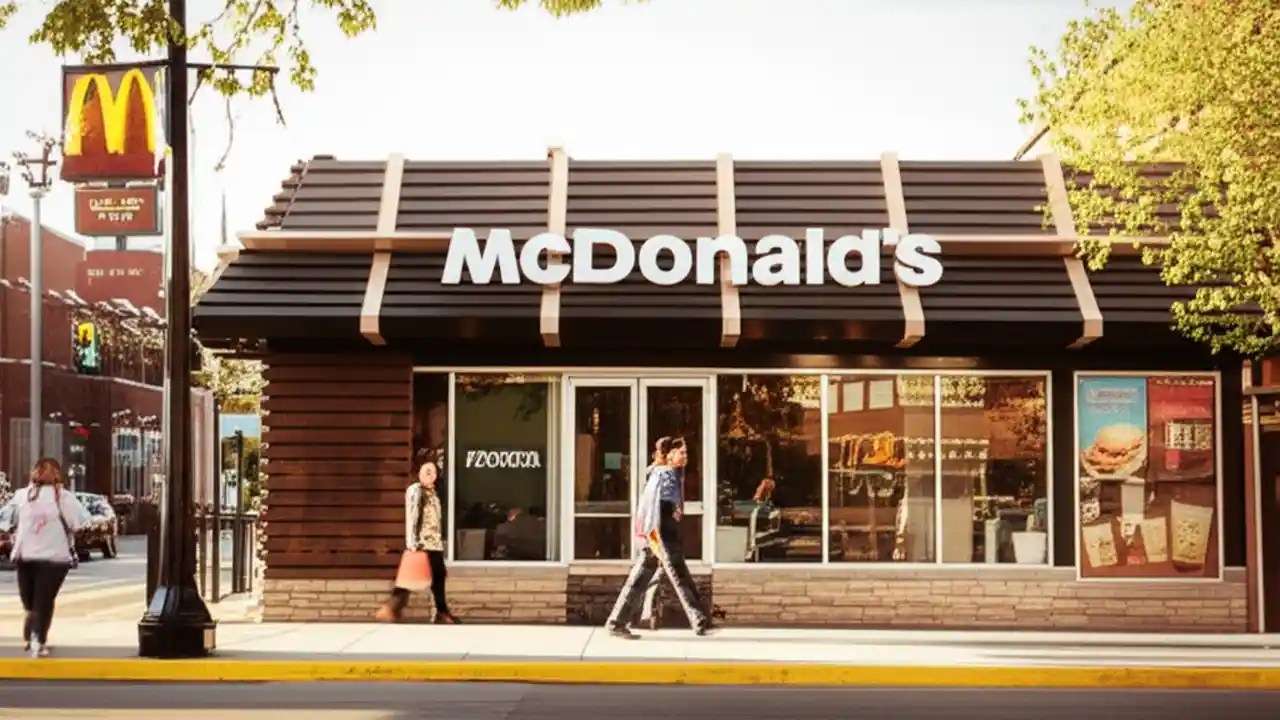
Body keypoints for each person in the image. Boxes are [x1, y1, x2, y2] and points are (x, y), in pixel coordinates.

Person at [605, 436, 712, 638]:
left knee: (642, 577)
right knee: (678, 575)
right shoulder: (666, 476)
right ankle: (698, 618)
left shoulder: (661, 472)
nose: (685, 457)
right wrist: (673, 514)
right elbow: (662, 506)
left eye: (686, 453)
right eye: (681, 452)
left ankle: (616, 621)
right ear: (670, 455)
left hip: (655, 534)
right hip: (661, 533)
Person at [0, 458, 87, 657]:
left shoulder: (22, 496)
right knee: (43, 600)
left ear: (33, 474)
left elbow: (6, 520)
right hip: (55, 558)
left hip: (27, 556)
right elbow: (78, 524)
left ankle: (34, 636)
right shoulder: (65, 498)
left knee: (31, 601)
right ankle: (37, 638)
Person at [375, 452, 459, 624]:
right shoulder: (416, 491)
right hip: (421, 543)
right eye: (427, 471)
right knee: (411, 578)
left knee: (436, 576)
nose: (431, 475)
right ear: (419, 471)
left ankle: (439, 612)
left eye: (434, 472)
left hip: (434, 543)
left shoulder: (433, 493)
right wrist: (412, 543)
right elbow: (412, 517)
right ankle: (392, 608)